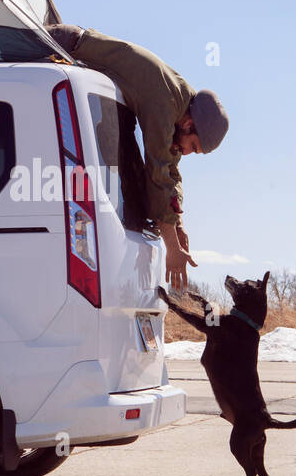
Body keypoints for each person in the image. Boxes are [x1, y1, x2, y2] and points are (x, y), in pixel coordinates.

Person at [46, 24, 228, 292]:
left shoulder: (183, 105)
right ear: (189, 124)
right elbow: (159, 173)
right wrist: (172, 249)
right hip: (57, 45)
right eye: (193, 146)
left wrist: (179, 225)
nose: (188, 152)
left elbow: (171, 173)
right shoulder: (165, 103)